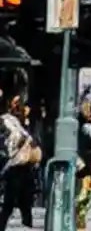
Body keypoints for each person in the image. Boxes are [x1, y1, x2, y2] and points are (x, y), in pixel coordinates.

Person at [0, 96, 37, 229]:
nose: (19, 108)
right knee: (10, 203)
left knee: (25, 203)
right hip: (13, 165)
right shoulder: (7, 120)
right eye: (15, 103)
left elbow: (30, 140)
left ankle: (26, 224)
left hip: (24, 166)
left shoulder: (22, 122)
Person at [75, 102, 91, 230]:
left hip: (78, 166)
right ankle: (80, 223)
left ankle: (79, 222)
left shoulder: (78, 127)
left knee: (81, 196)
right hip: (86, 167)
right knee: (84, 197)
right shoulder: (88, 128)